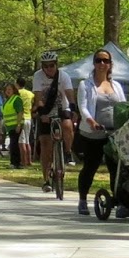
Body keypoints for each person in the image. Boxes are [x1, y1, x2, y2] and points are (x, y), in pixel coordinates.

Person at [74, 49, 127, 217]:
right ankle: (83, 200)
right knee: (90, 167)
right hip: (93, 133)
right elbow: (83, 107)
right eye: (98, 60)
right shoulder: (86, 85)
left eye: (105, 61)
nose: (102, 64)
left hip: (113, 134)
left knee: (116, 170)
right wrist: (92, 122)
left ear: (110, 64)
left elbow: (124, 107)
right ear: (94, 63)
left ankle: (119, 202)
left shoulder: (116, 86)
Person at [34, 51, 75, 192]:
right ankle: (46, 180)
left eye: (52, 65)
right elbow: (38, 96)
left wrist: (73, 107)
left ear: (56, 65)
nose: (49, 68)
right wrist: (42, 113)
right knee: (45, 145)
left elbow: (69, 93)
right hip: (45, 110)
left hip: (61, 107)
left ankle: (68, 152)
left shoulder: (63, 76)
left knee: (68, 125)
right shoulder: (38, 76)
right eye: (46, 66)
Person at [17, 76, 35, 169]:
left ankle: (23, 161)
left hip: (21, 118)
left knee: (21, 141)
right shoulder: (30, 94)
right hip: (29, 117)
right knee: (27, 140)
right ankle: (29, 160)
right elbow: (33, 104)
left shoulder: (17, 94)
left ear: (17, 84)